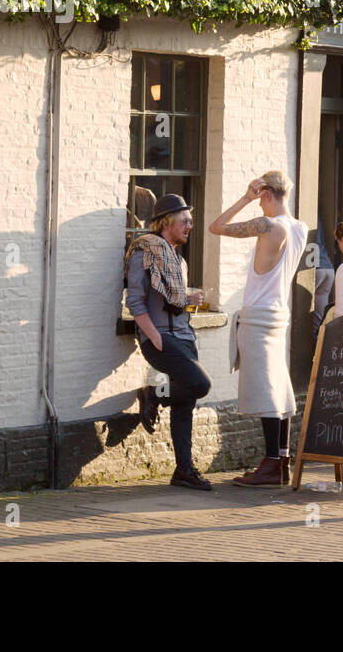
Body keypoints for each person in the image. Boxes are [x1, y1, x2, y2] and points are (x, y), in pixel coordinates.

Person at [212, 171, 309, 487]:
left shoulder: (269, 226)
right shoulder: (299, 228)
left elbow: (217, 227)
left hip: (258, 316)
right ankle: (281, 459)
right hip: (280, 314)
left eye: (259, 196)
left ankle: (270, 464)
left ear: (266, 194)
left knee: (268, 389)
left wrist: (244, 198)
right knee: (279, 386)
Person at [127, 194, 213, 491]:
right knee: (201, 384)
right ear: (168, 222)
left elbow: (174, 302)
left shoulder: (178, 260)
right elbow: (135, 302)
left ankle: (183, 471)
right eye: (186, 221)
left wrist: (189, 301)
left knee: (186, 401)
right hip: (161, 338)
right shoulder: (144, 254)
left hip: (184, 336)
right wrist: (155, 338)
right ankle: (152, 394)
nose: (190, 226)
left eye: (191, 221)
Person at [312, 215, 336, 335]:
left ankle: (316, 345)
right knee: (320, 315)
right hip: (328, 268)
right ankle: (320, 344)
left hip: (315, 268)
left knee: (310, 311)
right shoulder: (318, 218)